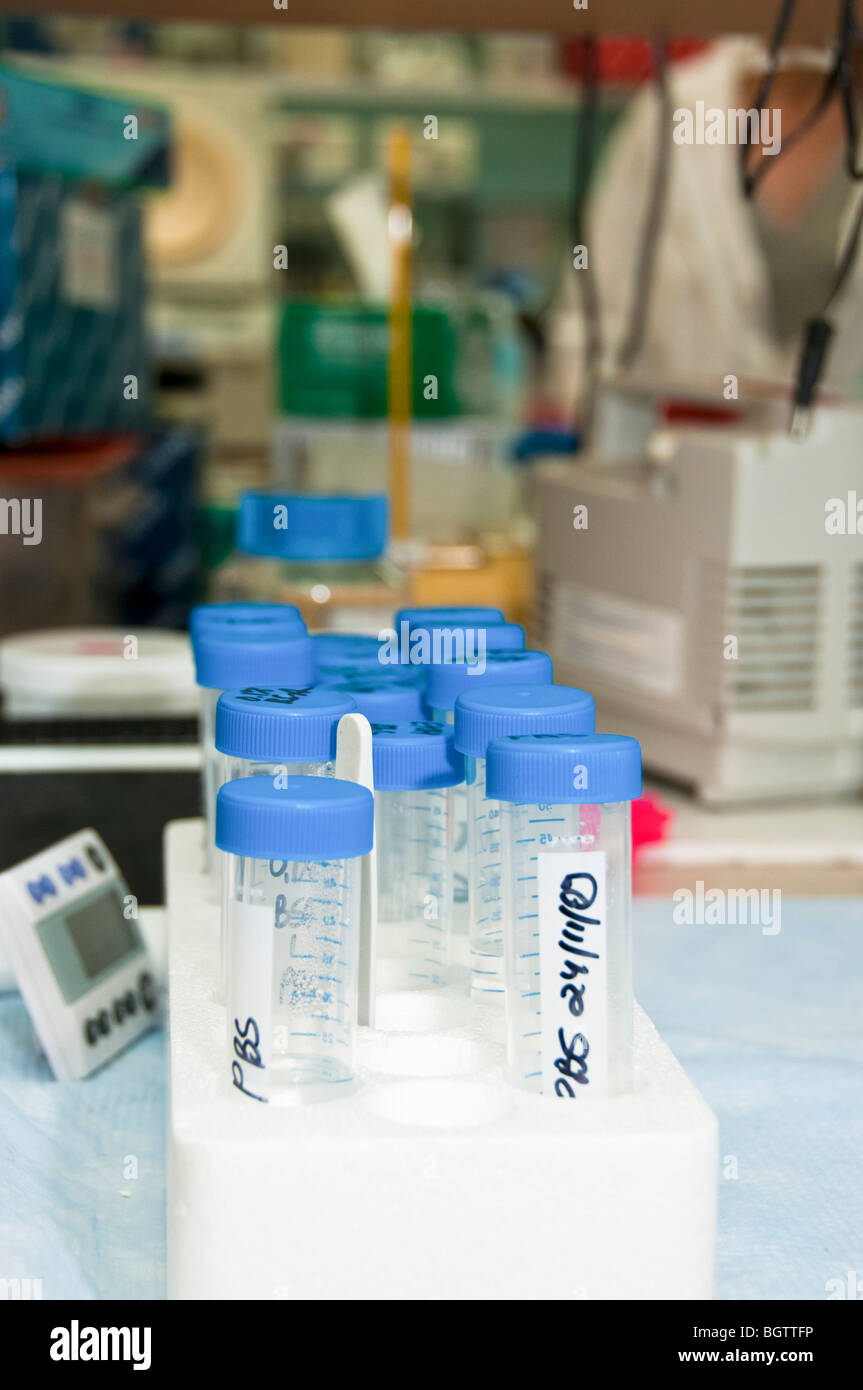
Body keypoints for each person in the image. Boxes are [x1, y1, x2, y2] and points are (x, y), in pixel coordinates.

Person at [547, 38, 863, 420]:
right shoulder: (681, 110)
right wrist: (601, 438)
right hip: (671, 458)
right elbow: (588, 316)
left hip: (841, 465)